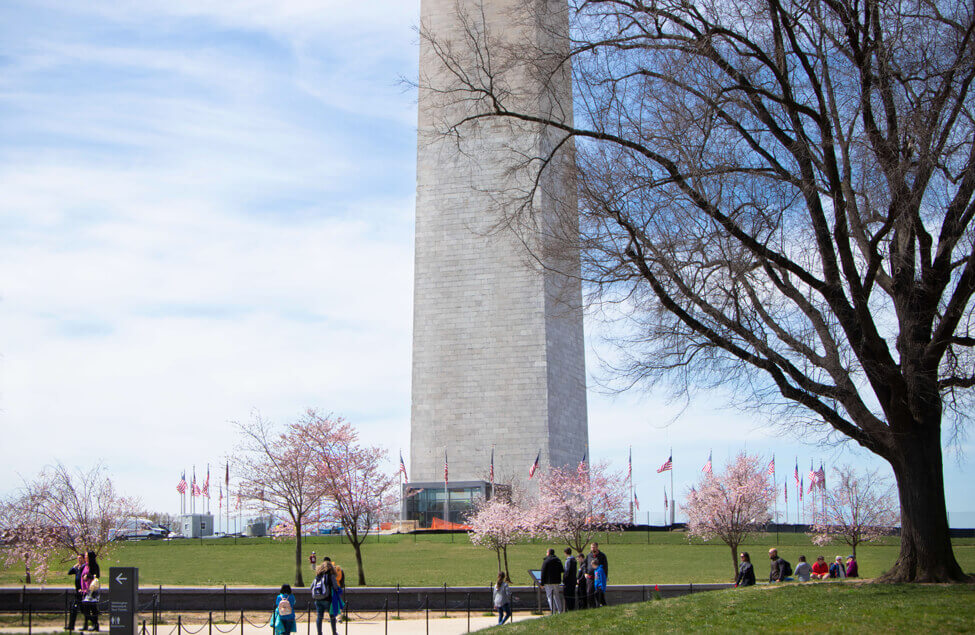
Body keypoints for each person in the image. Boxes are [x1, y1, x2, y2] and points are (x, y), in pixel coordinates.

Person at [312, 562, 338, 635]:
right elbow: (336, 587)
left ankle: (319, 633)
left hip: (317, 599)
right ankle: (334, 632)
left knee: (319, 617)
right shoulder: (330, 576)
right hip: (327, 599)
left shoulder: (318, 576)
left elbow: (311, 587)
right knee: (332, 616)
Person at [80, 551, 101, 632]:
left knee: (92, 608)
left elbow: (97, 576)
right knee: (85, 609)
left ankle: (95, 624)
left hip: (92, 590)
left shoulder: (94, 566)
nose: (85, 557)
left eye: (86, 556)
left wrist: (88, 576)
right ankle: (86, 625)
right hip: (85, 589)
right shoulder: (85, 566)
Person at [540, 548, 565, 614]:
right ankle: (560, 611)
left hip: (548, 582)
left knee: (550, 597)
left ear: (548, 553)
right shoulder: (558, 560)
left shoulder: (546, 561)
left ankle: (553, 612)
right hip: (556, 581)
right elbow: (562, 570)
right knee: (557, 596)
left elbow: (543, 572)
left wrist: (542, 583)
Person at [67, 553, 85, 631]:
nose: (79, 560)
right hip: (77, 591)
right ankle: (71, 626)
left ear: (84, 559)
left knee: (83, 609)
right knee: (74, 608)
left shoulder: (85, 567)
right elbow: (70, 572)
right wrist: (75, 566)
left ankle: (93, 624)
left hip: (83, 591)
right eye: (78, 558)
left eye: (80, 558)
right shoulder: (77, 568)